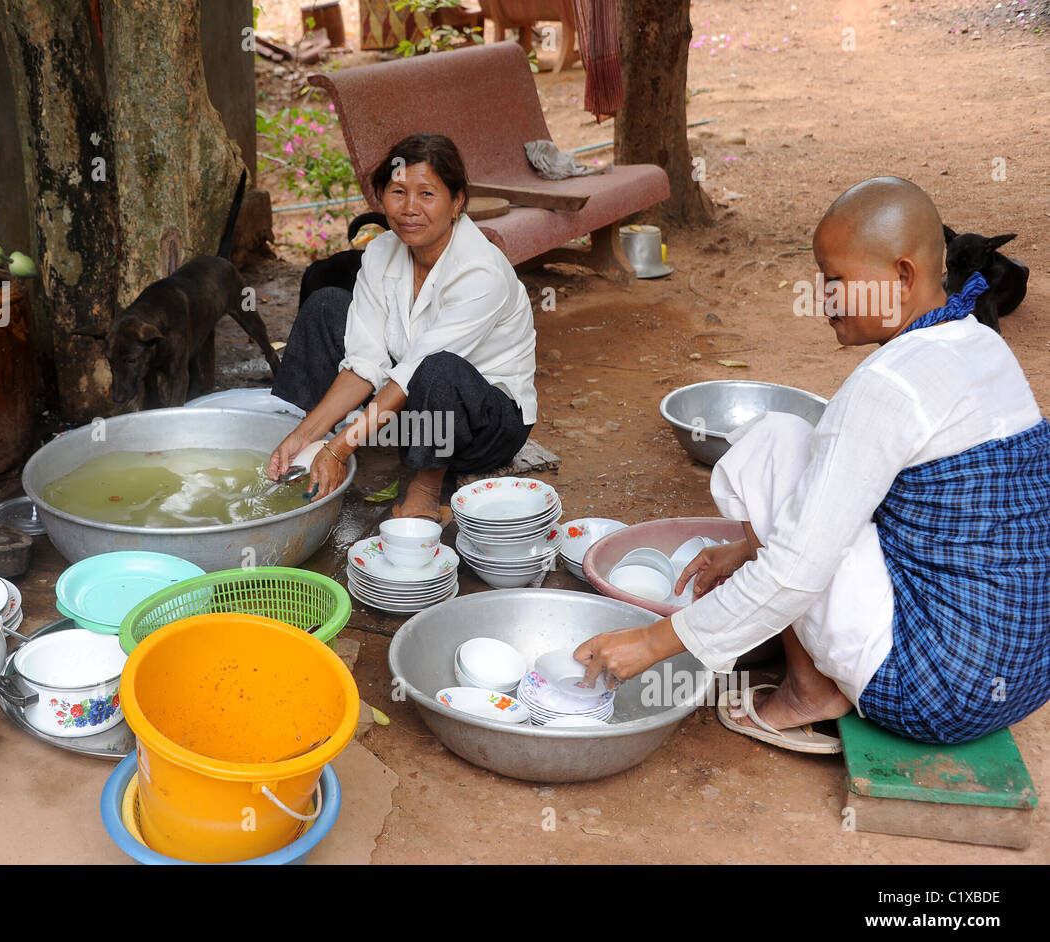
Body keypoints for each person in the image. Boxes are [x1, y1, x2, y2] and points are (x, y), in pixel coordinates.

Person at [574, 176, 1050, 751]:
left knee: (775, 441)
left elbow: (797, 571)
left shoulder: (888, 386)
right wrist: (749, 549)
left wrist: (651, 642)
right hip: (1023, 675)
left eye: (837, 281)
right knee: (801, 461)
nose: (824, 299)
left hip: (933, 689)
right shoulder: (979, 341)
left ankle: (808, 691)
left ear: (902, 276)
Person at [266, 133, 537, 522]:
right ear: (381, 196)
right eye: (397, 192)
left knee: (438, 369)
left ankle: (427, 488)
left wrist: (341, 449)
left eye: (427, 194)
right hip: (411, 412)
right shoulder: (380, 252)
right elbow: (366, 361)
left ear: (456, 201)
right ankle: (316, 444)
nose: (410, 208)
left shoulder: (481, 270)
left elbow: (415, 373)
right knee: (326, 306)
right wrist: (306, 436)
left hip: (484, 425)